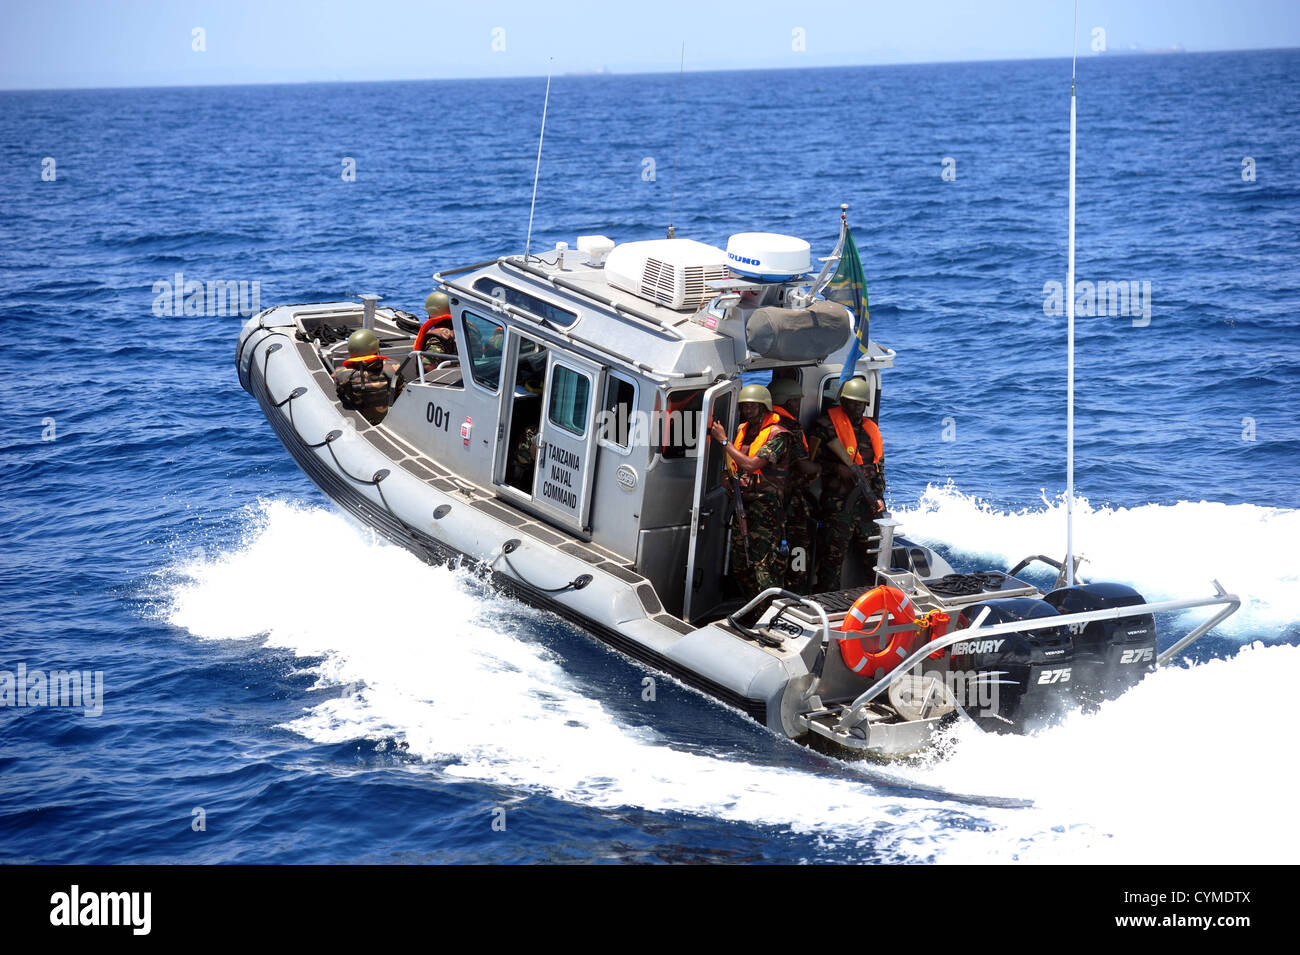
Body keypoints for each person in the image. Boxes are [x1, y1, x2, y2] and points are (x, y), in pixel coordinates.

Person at [707, 384, 792, 598]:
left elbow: (753, 465)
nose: (748, 411)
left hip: (766, 508)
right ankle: (754, 610)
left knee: (763, 566)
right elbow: (736, 463)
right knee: (740, 564)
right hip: (743, 504)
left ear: (765, 407)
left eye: (753, 406)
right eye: (745, 407)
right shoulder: (743, 431)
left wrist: (724, 441)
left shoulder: (778, 435)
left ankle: (770, 611)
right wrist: (726, 477)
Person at [811, 376, 886, 591]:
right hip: (838, 505)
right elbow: (809, 463)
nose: (855, 407)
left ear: (865, 404)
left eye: (859, 403)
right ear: (842, 402)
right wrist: (836, 469)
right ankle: (828, 602)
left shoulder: (871, 429)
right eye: (851, 402)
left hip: (866, 504)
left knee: (873, 557)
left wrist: (878, 495)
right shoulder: (825, 427)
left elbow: (879, 467)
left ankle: (872, 599)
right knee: (832, 559)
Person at [768, 377, 821, 593]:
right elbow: (804, 466)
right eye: (796, 401)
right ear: (787, 402)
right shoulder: (790, 426)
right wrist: (820, 469)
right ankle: (795, 592)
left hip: (768, 497)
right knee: (798, 544)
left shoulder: (764, 423)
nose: (799, 405)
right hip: (790, 500)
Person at [332, 328, 404, 426]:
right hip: (387, 421)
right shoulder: (394, 367)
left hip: (360, 423)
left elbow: (340, 393)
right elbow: (401, 393)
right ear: (375, 347)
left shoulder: (342, 374)